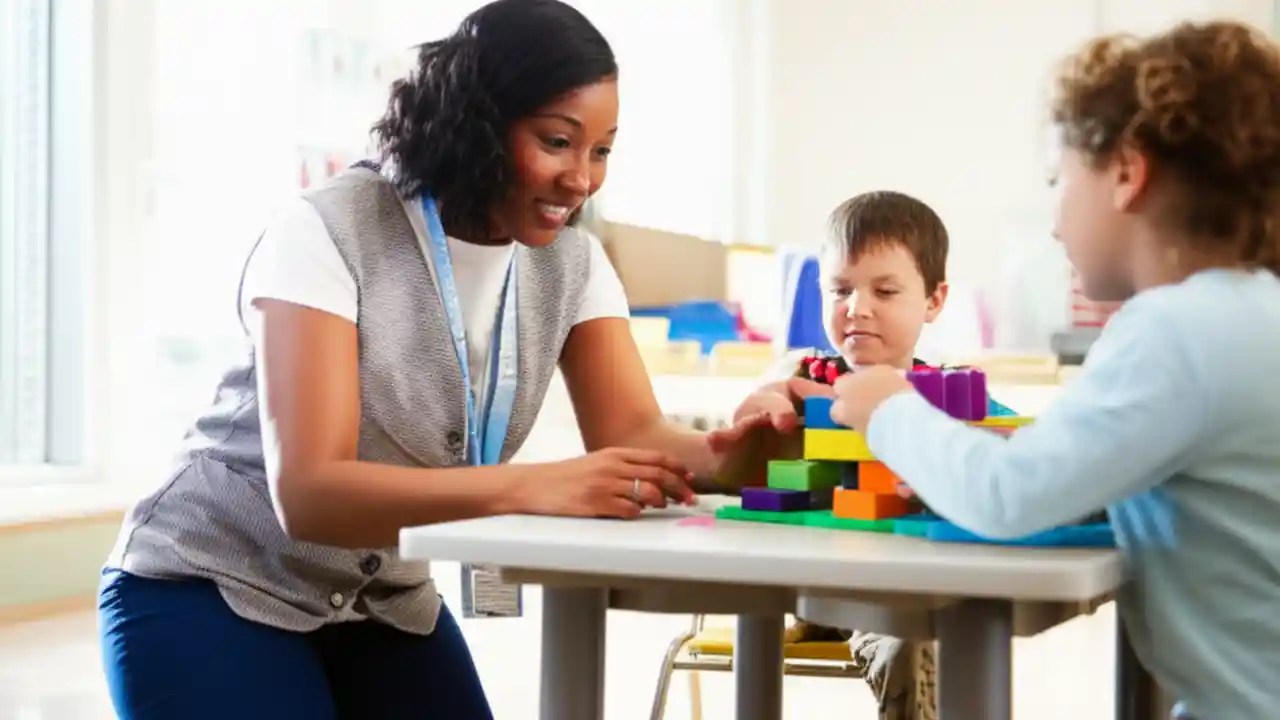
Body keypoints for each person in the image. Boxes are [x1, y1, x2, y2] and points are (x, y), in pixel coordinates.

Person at [97, 2, 749, 717]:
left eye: (602, 150)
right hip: (212, 581)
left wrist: (744, 449)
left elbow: (636, 438)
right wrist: (524, 487)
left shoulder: (574, 263)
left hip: (384, 602)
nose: (582, 180)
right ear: (478, 122)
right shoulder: (327, 228)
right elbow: (311, 492)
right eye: (558, 141)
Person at [828, 20, 1280, 720]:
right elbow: (1077, 465)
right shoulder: (1247, 313)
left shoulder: (1176, 331)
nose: (1053, 221)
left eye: (1058, 179)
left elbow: (1010, 498)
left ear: (1128, 173)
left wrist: (888, 408)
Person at [713, 191, 966, 719]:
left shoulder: (942, 391)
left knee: (911, 638)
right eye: (840, 289)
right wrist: (762, 411)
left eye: (886, 290)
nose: (858, 308)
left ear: (934, 301)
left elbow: (998, 446)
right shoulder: (803, 373)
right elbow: (747, 431)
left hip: (899, 584)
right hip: (803, 579)